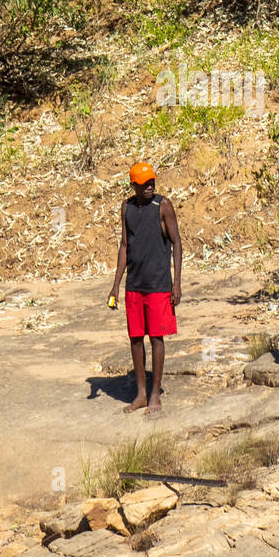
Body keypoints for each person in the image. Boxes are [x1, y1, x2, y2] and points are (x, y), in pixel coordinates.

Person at [108, 162, 182, 414]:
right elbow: (124, 246)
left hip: (159, 284)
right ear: (134, 186)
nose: (150, 186)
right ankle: (140, 393)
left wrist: (177, 283)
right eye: (144, 183)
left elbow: (177, 242)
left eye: (152, 182)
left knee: (157, 338)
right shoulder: (127, 208)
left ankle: (154, 395)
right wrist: (115, 285)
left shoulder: (162, 206)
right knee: (136, 338)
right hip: (134, 285)